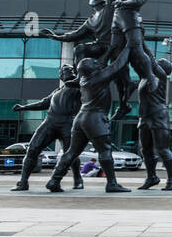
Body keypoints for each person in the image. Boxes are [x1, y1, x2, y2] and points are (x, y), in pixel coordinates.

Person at [46, 47, 133, 193]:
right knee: (105, 150)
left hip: (80, 118)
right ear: (92, 69)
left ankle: (54, 180)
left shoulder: (82, 79)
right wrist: (129, 45)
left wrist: (109, 49)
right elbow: (119, 64)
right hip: (95, 118)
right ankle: (111, 184)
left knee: (72, 152)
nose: (98, 62)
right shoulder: (99, 77)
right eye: (94, 62)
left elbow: (102, 63)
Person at [106, 0, 165, 120]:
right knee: (115, 53)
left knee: (136, 49)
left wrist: (123, 2)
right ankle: (124, 99)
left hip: (130, 17)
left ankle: (149, 75)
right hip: (118, 16)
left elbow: (137, 1)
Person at [9, 65, 84, 191]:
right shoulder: (56, 91)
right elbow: (43, 103)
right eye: (65, 71)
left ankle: (78, 179)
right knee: (32, 149)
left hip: (68, 123)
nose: (69, 72)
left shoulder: (80, 87)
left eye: (71, 70)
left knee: (71, 154)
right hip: (49, 123)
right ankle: (23, 182)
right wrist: (23, 107)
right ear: (60, 76)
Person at [137, 58, 172, 191]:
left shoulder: (160, 76)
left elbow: (146, 57)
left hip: (158, 115)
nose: (155, 62)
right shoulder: (145, 76)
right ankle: (152, 177)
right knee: (145, 149)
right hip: (145, 117)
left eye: (158, 62)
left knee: (162, 149)